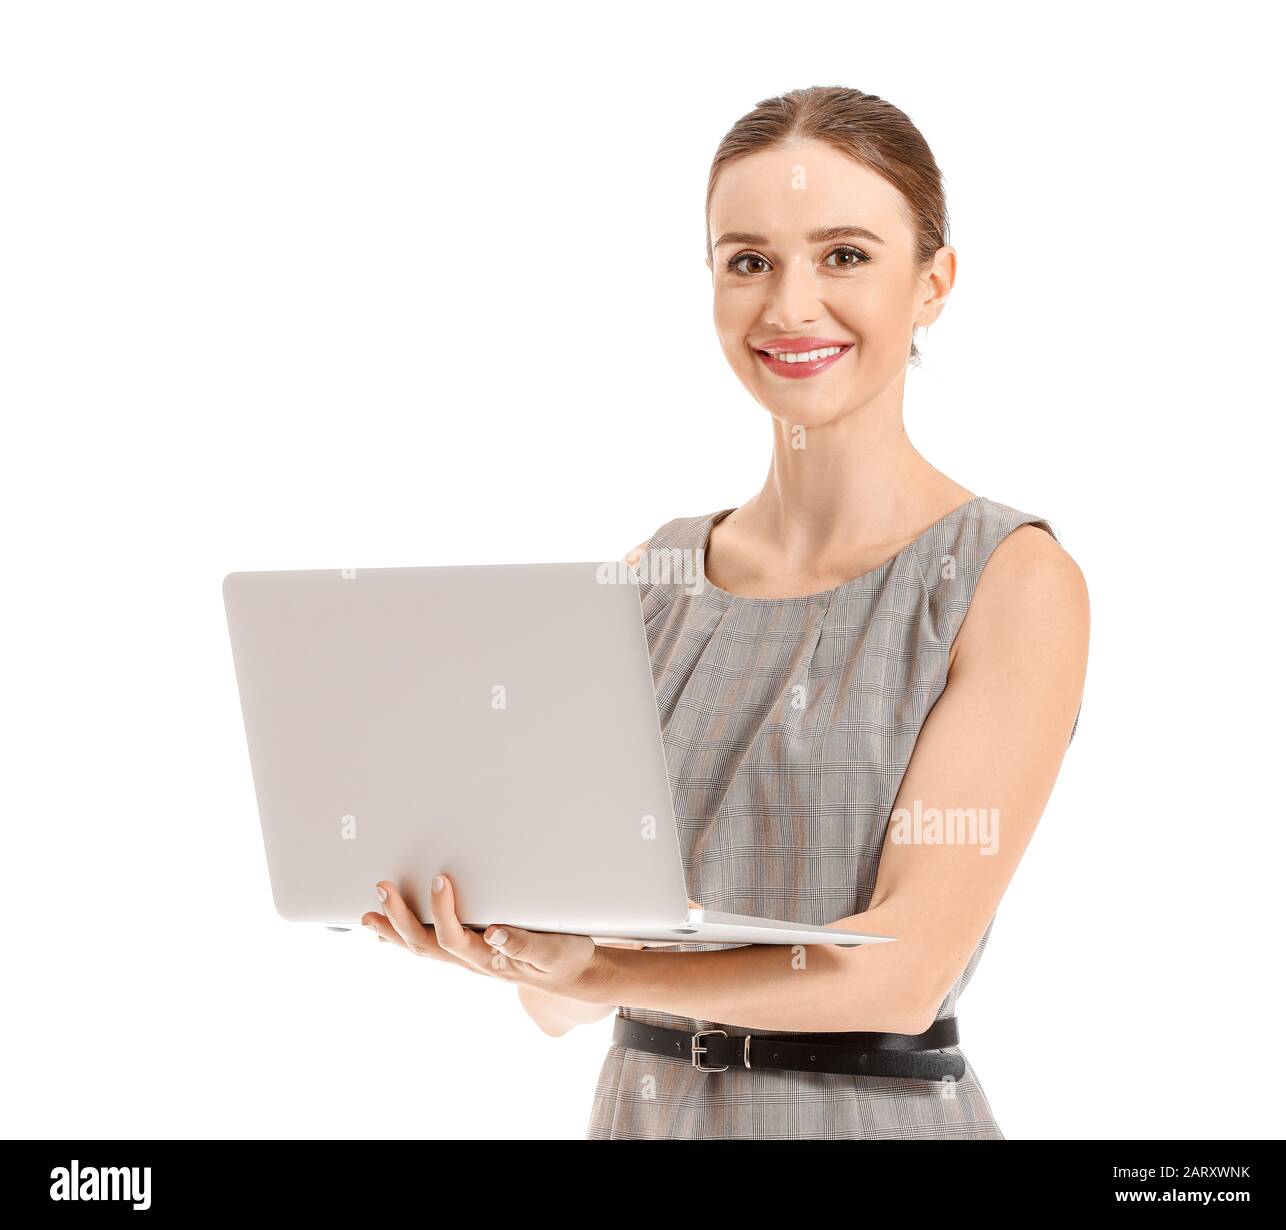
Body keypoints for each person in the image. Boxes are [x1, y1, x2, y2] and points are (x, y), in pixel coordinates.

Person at [362, 85, 1089, 1140]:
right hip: (645, 1112)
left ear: (932, 283)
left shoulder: (1005, 579)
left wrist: (602, 967)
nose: (790, 307)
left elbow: (902, 975)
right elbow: (558, 1003)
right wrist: (504, 939)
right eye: (748, 261)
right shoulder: (649, 579)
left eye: (844, 255)